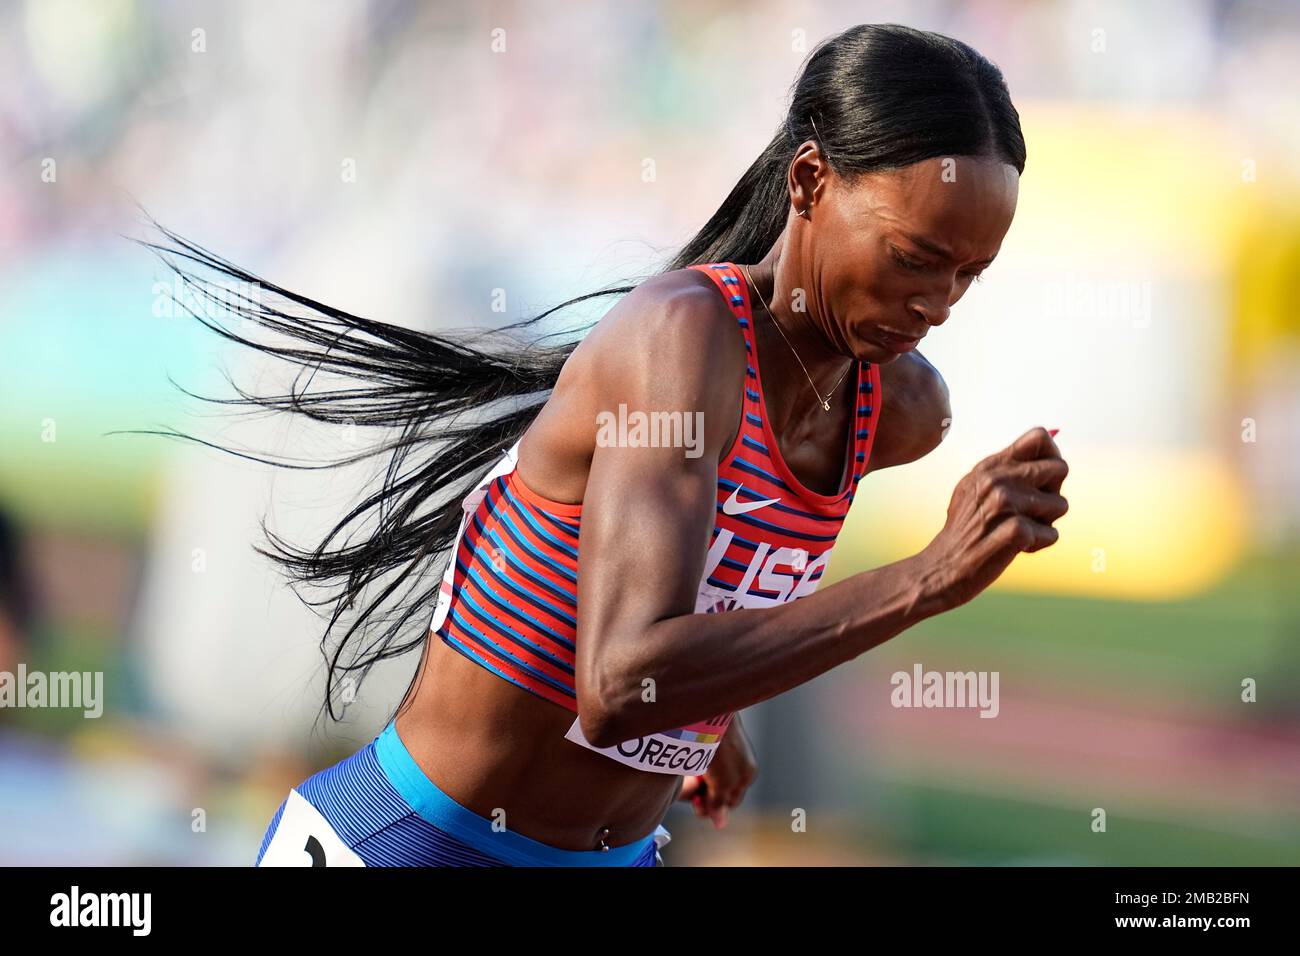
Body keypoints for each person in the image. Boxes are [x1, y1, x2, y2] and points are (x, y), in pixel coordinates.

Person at [145, 23, 1068, 867]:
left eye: (968, 274)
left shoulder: (899, 412)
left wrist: (714, 709)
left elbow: (707, 574)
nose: (936, 302)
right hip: (418, 844)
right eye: (913, 257)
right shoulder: (685, 337)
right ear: (810, 182)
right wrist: (924, 578)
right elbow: (623, 680)